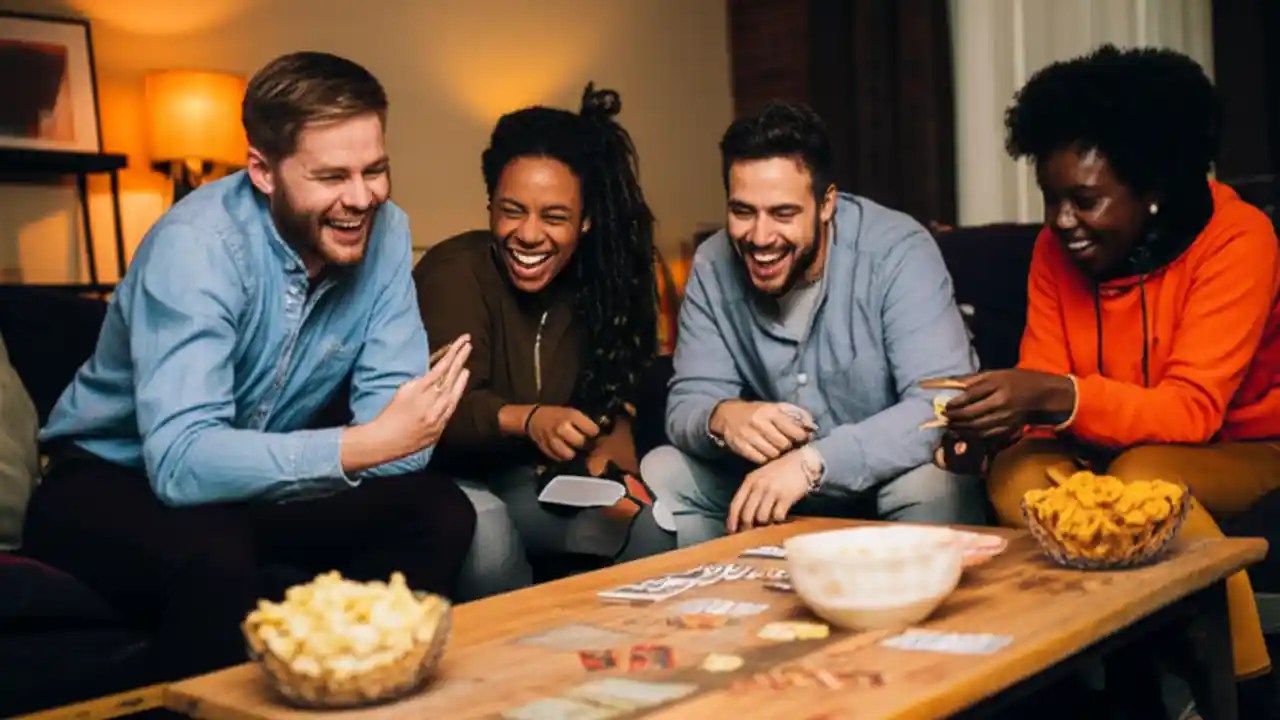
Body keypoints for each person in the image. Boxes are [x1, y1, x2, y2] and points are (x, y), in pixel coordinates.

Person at [21, 51, 477, 681]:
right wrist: (364, 443)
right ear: (262, 171)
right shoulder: (198, 247)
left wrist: (392, 434)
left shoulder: (388, 234)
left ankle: (349, 685)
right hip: (106, 479)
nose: (362, 198)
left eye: (376, 170)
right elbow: (181, 463)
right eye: (331, 177)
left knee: (442, 513)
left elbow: (397, 448)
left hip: (248, 482)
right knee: (215, 556)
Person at [935, 45, 1280, 714]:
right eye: (1052, 199)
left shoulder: (1239, 240)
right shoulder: (1053, 250)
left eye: (1085, 200)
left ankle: (1246, 688)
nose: (1062, 222)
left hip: (1244, 448)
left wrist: (1055, 394)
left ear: (1152, 189)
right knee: (1017, 475)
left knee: (1146, 480)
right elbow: (1040, 403)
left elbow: (1192, 413)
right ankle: (1124, 686)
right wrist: (989, 435)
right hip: (1103, 450)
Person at [640, 101, 984, 547]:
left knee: (934, 485)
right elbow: (687, 400)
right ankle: (726, 609)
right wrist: (722, 417)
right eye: (743, 212)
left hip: (885, 480)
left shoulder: (899, 251)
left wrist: (813, 462)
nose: (760, 237)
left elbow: (939, 404)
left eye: (783, 214)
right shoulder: (712, 263)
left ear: (827, 204)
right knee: (664, 471)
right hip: (775, 491)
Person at [415, 84, 674, 600]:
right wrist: (529, 418)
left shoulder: (598, 286)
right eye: (513, 211)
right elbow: (440, 416)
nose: (529, 234)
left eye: (554, 217)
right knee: (489, 540)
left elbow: (616, 387)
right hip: (448, 484)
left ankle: (603, 651)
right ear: (490, 205)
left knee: (649, 527)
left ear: (585, 222)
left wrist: (613, 445)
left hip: (538, 482)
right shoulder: (453, 271)